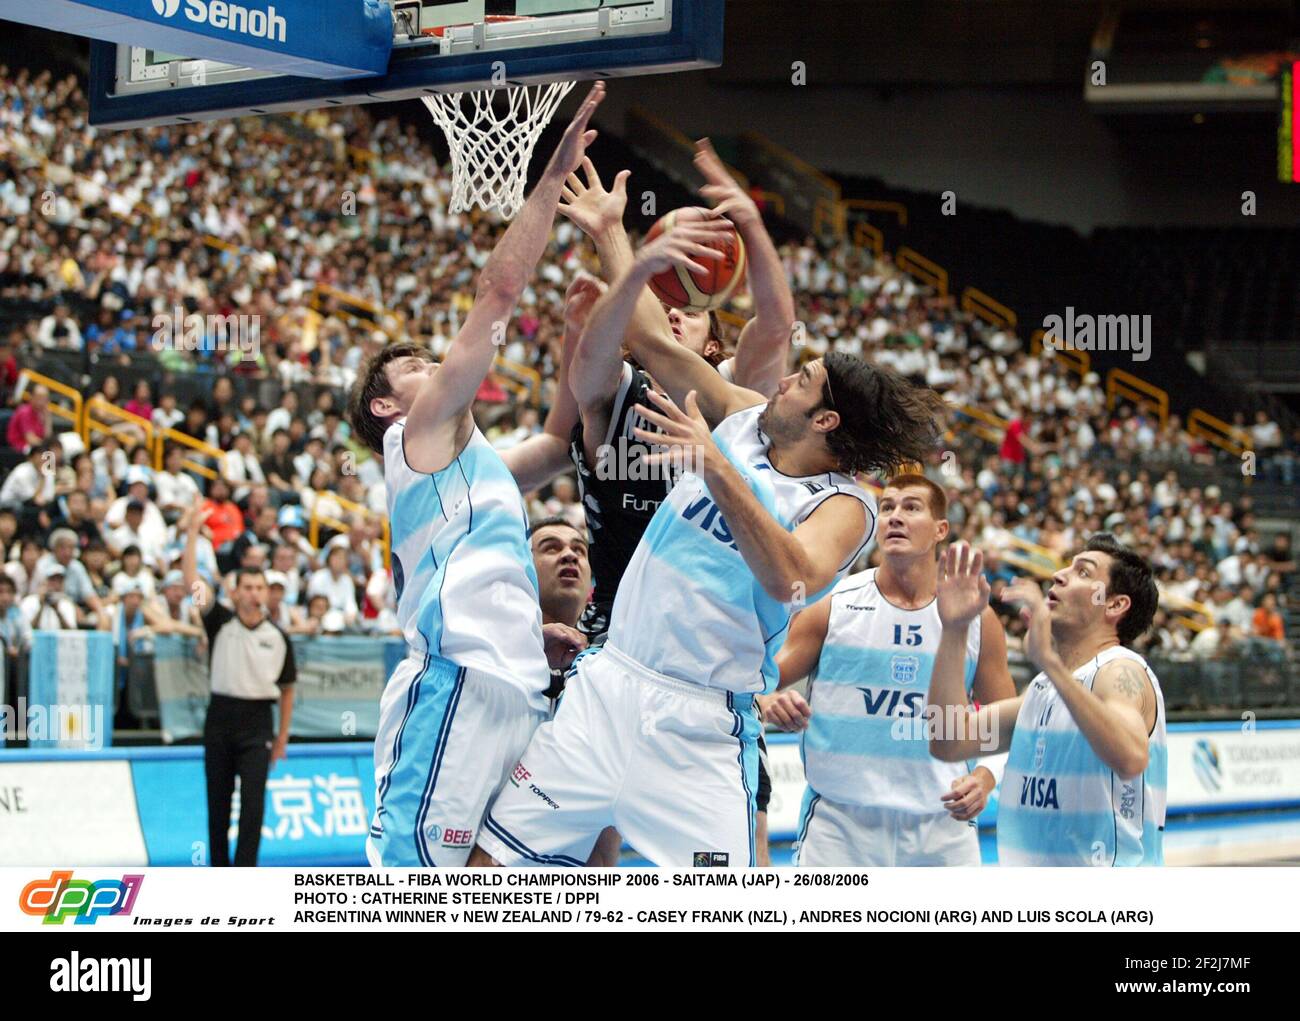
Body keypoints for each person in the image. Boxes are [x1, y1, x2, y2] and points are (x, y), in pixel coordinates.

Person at [472, 217, 945, 867]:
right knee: (487, 874)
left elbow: (792, 577)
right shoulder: (744, 417)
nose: (782, 382)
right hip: (608, 685)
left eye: (800, 382)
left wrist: (711, 465)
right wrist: (618, 238)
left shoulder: (845, 504)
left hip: (697, 725)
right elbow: (642, 334)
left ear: (826, 420)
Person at [346, 84, 604, 867]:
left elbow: (563, 442)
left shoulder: (476, 460)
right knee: (417, 893)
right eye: (417, 366)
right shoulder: (416, 440)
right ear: (391, 406)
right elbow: (496, 293)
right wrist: (552, 178)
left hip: (516, 692)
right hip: (453, 684)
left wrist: (572, 333)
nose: (437, 365)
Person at [558, 145, 796, 863]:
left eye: (683, 316)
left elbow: (776, 331)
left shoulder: (736, 415)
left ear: (713, 340)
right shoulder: (613, 393)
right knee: (590, 845)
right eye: (658, 311)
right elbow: (622, 343)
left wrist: (753, 232)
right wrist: (615, 245)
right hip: (616, 653)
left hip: (706, 670)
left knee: (732, 853)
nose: (667, 318)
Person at [763, 474, 1015, 866]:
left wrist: (985, 777)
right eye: (887, 508)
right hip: (840, 827)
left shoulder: (977, 618)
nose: (895, 516)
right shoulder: (832, 602)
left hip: (942, 826)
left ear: (940, 530)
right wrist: (768, 702)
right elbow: (757, 682)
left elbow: (1008, 722)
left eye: (911, 507)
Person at [928, 534, 1165, 866]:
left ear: (1114, 604)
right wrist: (955, 629)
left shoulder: (1120, 670)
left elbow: (1130, 758)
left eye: (1083, 572)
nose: (1059, 575)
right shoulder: (1043, 690)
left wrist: (1049, 662)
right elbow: (949, 741)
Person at [181, 504, 296, 867]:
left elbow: (288, 688)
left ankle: (245, 873)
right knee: (218, 802)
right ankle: (218, 872)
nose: (253, 594)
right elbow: (192, 584)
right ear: (235, 592)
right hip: (220, 719)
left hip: (258, 722)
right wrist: (191, 534)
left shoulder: (278, 637)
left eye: (259, 587)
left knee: (253, 806)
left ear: (267, 592)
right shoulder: (219, 622)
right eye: (246, 587)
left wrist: (282, 737)